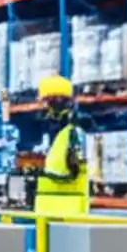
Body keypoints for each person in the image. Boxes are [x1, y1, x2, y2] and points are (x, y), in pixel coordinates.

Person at [33, 75, 89, 216]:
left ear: (56, 101)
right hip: (47, 205)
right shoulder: (51, 128)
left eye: (46, 102)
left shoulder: (75, 129)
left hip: (70, 206)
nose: (43, 106)